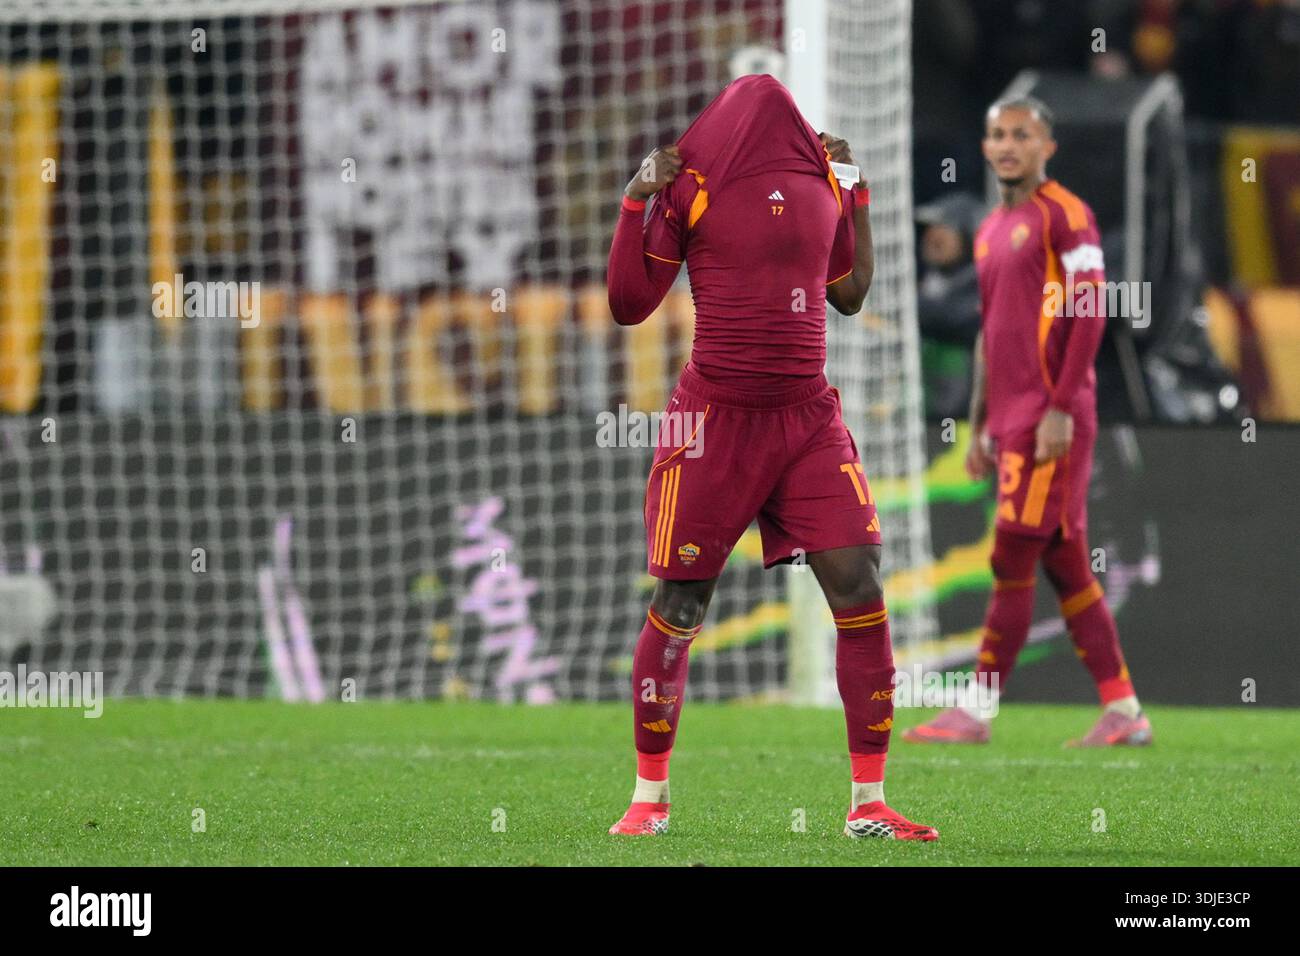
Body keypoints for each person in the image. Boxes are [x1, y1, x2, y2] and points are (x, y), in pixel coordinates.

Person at [604, 75, 938, 840]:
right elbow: (629, 304)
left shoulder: (820, 180)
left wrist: (856, 194)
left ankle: (868, 802)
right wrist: (633, 203)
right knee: (682, 600)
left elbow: (848, 292)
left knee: (858, 583)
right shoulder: (688, 188)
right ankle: (648, 798)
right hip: (713, 421)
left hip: (805, 419)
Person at [905, 96, 1152, 747]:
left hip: (1051, 419)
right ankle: (1124, 710)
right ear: (985, 149)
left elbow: (1090, 313)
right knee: (1067, 565)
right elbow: (992, 329)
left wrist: (1062, 409)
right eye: (997, 135)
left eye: (1022, 134)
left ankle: (976, 709)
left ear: (1047, 147)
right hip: (1010, 419)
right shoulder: (990, 228)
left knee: (1011, 552)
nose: (1008, 145)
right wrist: (980, 419)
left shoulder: (1067, 216)